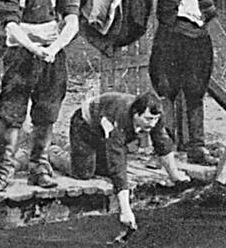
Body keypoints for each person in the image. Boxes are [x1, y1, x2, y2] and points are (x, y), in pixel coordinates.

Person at [0, 0, 80, 192]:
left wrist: (55, 46)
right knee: (12, 112)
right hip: (21, 57)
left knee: (47, 112)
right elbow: (12, 27)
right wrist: (35, 42)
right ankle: (3, 172)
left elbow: (72, 22)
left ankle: (39, 167)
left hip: (51, 57)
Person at [135, 0, 226, 165]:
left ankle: (196, 148)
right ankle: (165, 149)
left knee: (195, 93)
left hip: (198, 35)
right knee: (166, 91)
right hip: (171, 33)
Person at [62, 91, 191, 232]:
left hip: (104, 127)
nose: (152, 124)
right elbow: (118, 162)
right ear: (136, 113)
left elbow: (162, 144)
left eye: (155, 119)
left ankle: (85, 154)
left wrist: (175, 175)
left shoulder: (156, 116)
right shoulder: (120, 118)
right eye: (148, 119)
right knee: (84, 173)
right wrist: (125, 210)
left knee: (105, 171)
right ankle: (57, 153)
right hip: (84, 124)